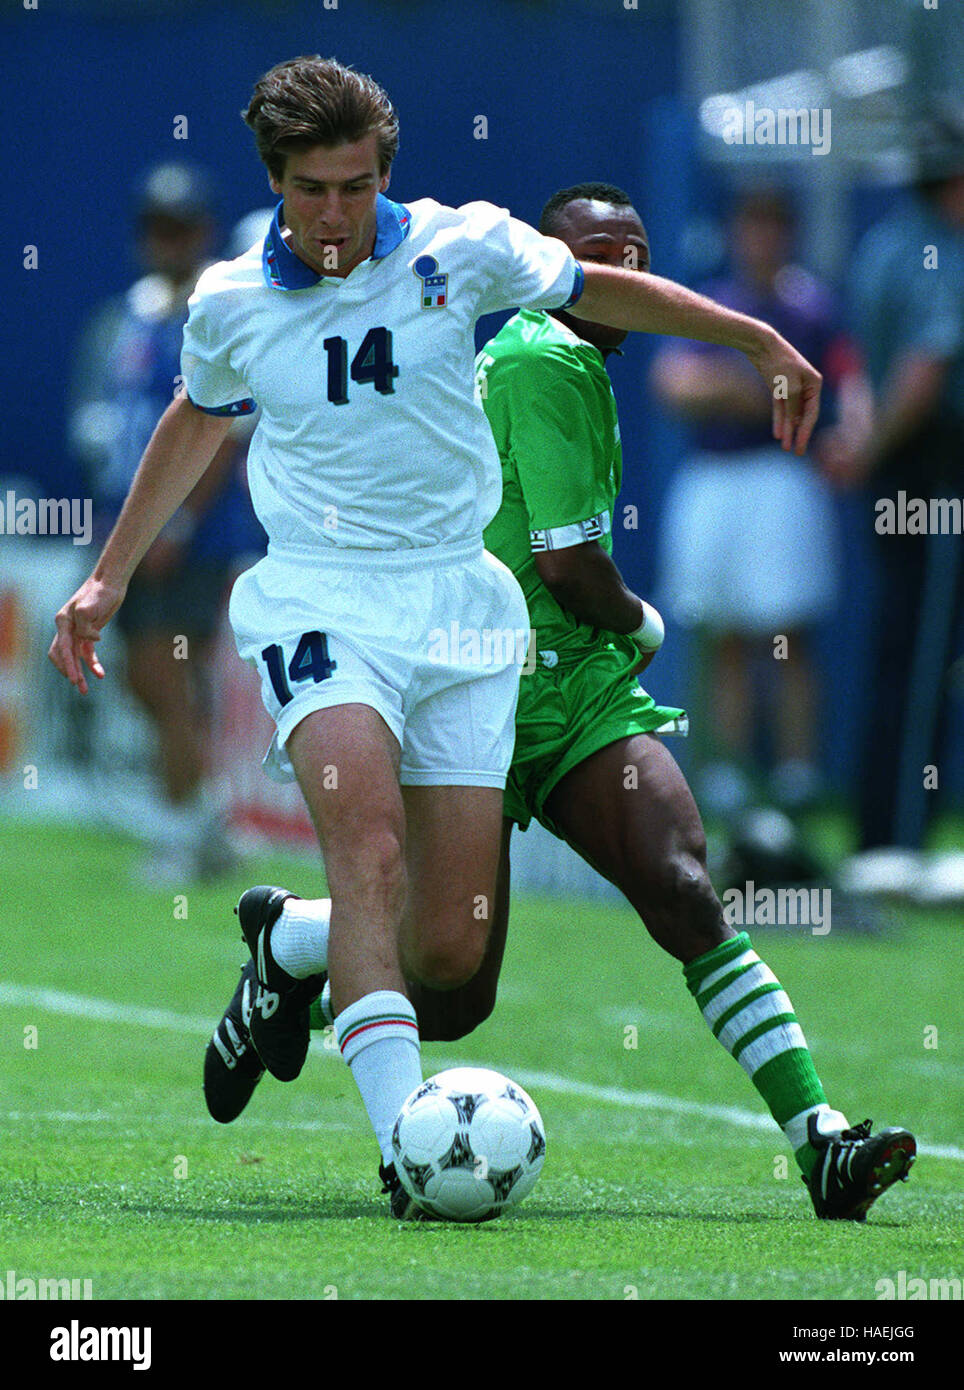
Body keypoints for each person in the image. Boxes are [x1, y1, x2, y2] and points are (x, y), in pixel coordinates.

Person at [49, 56, 825, 1219]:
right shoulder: (228, 304)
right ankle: (407, 1155)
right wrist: (106, 578)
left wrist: (751, 337)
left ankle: (291, 947)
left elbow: (601, 293)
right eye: (311, 189)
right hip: (319, 603)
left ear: (384, 175)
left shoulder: (458, 247)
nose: (335, 215)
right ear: (274, 180)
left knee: (450, 961)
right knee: (367, 851)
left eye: (356, 187)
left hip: (459, 608)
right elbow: (191, 419)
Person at [201, 179, 915, 1223]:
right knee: (450, 985)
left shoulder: (560, 351)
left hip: (569, 691)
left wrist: (750, 341)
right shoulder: (543, 355)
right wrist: (642, 626)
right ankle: (302, 945)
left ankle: (820, 1141)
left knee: (679, 883)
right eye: (599, 255)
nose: (621, 272)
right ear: (550, 264)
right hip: (477, 673)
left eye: (635, 251)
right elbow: (571, 564)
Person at [67, 162, 260, 881]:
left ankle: (186, 829)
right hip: (129, 522)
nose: (166, 240)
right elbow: (105, 420)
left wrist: (177, 522)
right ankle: (201, 818)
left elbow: (217, 427)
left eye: (179, 227)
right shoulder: (130, 314)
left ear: (203, 232)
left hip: (191, 532)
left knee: (166, 673)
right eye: (156, 226)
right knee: (145, 679)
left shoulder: (209, 310)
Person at [650, 188, 867, 816]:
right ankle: (728, 774)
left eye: (774, 226)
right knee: (725, 634)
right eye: (752, 225)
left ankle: (797, 773)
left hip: (784, 480)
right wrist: (755, 391)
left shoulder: (816, 309)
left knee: (789, 631)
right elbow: (675, 384)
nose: (762, 239)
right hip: (717, 478)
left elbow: (842, 391)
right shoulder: (713, 302)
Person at [829, 115, 964, 897]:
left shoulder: (884, 243)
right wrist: (874, 448)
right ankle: (897, 840)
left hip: (896, 472)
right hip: (933, 474)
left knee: (902, 649)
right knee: (922, 660)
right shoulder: (937, 252)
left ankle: (889, 833)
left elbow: (853, 362)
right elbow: (924, 370)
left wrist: (857, 440)